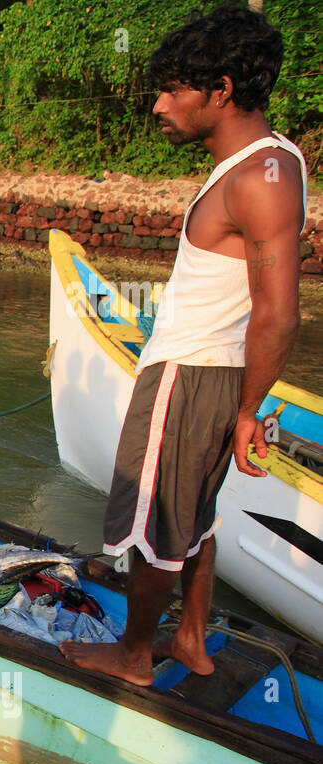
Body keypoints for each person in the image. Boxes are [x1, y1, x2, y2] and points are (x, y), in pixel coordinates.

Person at [61, 3, 307, 686]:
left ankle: (134, 654)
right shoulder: (272, 162)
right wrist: (243, 407)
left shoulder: (258, 180)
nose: (160, 107)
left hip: (190, 375)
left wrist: (249, 413)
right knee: (194, 519)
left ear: (222, 90)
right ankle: (192, 638)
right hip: (211, 376)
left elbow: (279, 316)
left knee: (155, 528)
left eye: (175, 90)